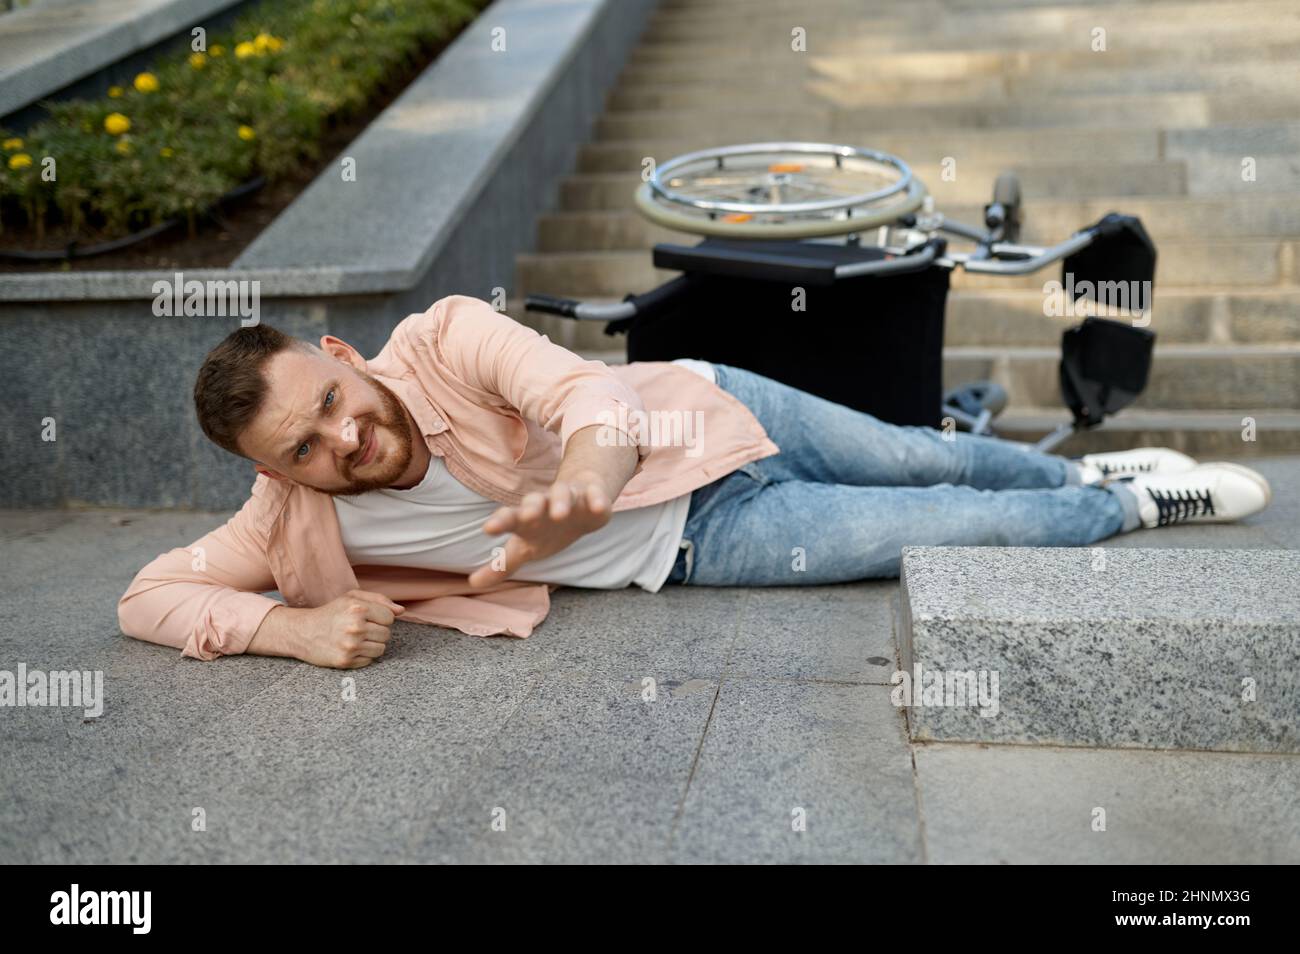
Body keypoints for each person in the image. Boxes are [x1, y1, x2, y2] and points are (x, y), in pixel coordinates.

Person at [117, 294, 1271, 669]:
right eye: (302, 452)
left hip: (708, 406)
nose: (345, 445)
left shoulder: (447, 336)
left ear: (338, 361)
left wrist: (581, 481)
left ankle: (1085, 466)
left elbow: (591, 399)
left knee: (930, 451)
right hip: (699, 541)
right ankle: (1127, 503)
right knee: (951, 523)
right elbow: (146, 596)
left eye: (332, 407)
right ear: (273, 472)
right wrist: (294, 633)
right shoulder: (290, 513)